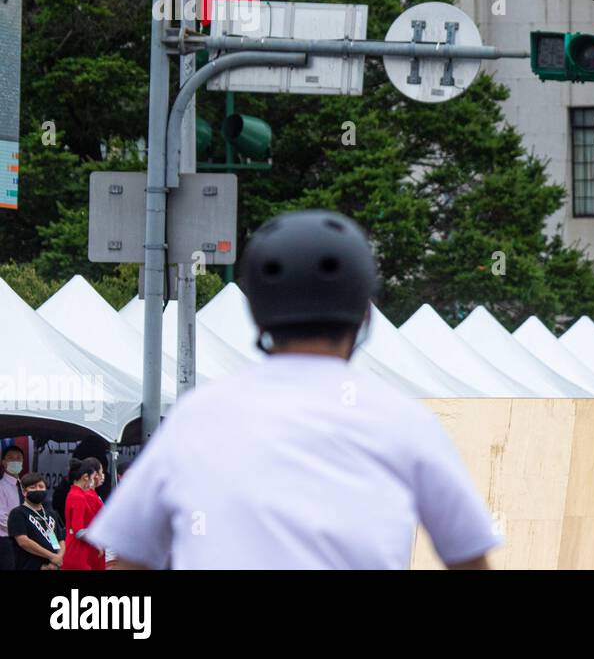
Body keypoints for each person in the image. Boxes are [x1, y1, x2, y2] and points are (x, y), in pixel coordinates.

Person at [86, 209, 499, 569]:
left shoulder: (197, 416)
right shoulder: (403, 420)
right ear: (364, 318)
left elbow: (129, 556)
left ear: (258, 316)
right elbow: (468, 555)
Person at [7, 473, 63, 570]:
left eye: (41, 486)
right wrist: (51, 556)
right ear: (24, 491)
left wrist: (58, 559)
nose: (38, 489)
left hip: (53, 566)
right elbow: (23, 542)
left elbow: (60, 540)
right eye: (33, 487)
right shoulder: (17, 513)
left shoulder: (51, 514)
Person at [62, 457, 105, 570]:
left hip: (76, 547)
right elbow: (79, 531)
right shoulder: (79, 497)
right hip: (77, 550)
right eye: (92, 477)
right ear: (86, 477)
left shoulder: (74, 493)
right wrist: (97, 544)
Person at [0, 443, 24, 571]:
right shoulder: (1, 487)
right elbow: (2, 518)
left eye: (18, 458)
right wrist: (20, 531)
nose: (15, 461)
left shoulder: (24, 486)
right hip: (6, 541)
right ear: (3, 462)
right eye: (11, 458)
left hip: (25, 542)